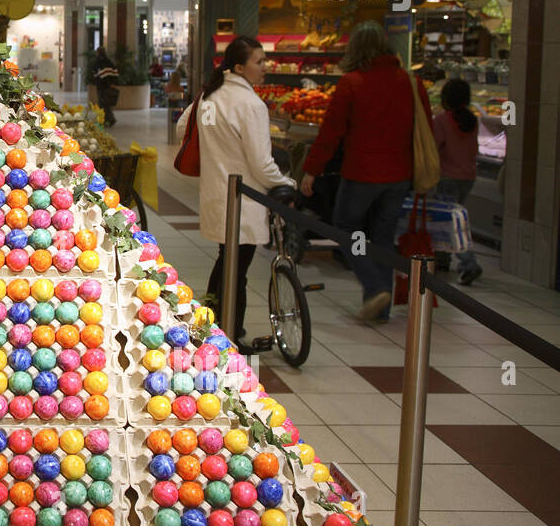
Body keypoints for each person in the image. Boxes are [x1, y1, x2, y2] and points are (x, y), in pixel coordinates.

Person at [301, 21, 433, 323]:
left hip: (361, 172)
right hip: (400, 174)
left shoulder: (352, 82)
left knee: (346, 228)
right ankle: (381, 307)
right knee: (384, 238)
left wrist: (312, 170)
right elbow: (425, 125)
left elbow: (331, 132)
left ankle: (375, 289)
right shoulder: (410, 81)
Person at [176, 35, 295, 353]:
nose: (265, 67)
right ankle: (229, 334)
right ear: (240, 67)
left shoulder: (208, 96)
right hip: (244, 198)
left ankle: (206, 328)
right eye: (259, 61)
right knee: (236, 270)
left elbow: (182, 130)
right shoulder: (250, 104)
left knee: (226, 262)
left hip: (217, 194)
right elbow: (261, 162)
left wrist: (217, 150)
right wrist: (285, 182)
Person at [432, 78, 483, 285]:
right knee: (454, 218)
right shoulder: (472, 121)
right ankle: (442, 260)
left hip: (447, 177)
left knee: (449, 223)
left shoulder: (442, 121)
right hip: (467, 177)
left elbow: (433, 148)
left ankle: (469, 263)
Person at [90, 47, 119, 126]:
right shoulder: (109, 62)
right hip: (109, 86)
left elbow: (95, 74)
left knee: (103, 104)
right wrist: (113, 83)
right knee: (107, 103)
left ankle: (107, 119)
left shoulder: (98, 62)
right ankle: (109, 119)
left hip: (101, 86)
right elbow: (115, 73)